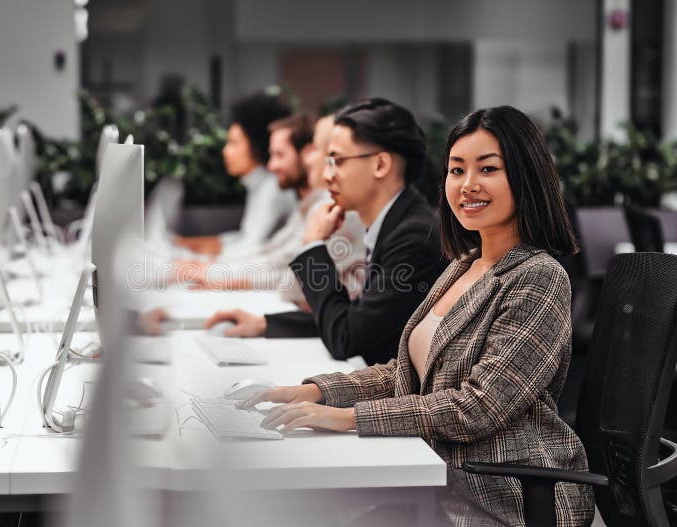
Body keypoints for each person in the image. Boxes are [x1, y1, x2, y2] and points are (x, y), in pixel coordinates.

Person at [242, 106, 595, 526]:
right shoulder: (464, 265)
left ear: (525, 175)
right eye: (456, 170)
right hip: (436, 477)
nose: (468, 185)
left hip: (499, 495)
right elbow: (409, 374)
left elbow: (476, 408)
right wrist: (317, 392)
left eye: (487, 169)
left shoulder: (538, 277)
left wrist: (349, 418)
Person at [206, 98, 446, 366]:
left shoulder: (413, 238)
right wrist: (265, 324)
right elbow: (361, 318)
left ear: (381, 165)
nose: (326, 174)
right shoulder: (398, 221)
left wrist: (312, 247)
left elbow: (348, 339)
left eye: (337, 161)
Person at [183, 114, 366, 300]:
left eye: (317, 150)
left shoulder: (337, 209)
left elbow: (291, 278)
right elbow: (275, 254)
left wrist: (218, 272)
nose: (309, 159)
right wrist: (214, 268)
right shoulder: (315, 204)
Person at [173, 92, 296, 257]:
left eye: (234, 143)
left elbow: (252, 248)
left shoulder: (273, 188)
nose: (226, 151)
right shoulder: (259, 184)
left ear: (255, 144)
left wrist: (199, 262)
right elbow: (245, 237)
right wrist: (192, 245)